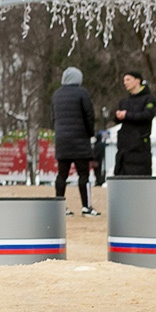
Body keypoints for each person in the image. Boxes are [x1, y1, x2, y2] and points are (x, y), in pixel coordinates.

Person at [51, 67, 99, 216]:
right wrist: (90, 133)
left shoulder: (56, 95)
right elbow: (89, 115)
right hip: (80, 140)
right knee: (83, 175)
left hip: (62, 140)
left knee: (62, 174)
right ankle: (86, 207)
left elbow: (53, 117)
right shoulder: (82, 93)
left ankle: (60, 206)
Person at [114, 71, 156, 176]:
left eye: (128, 79)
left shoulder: (148, 99)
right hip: (124, 147)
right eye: (124, 80)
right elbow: (116, 118)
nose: (125, 83)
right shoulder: (124, 101)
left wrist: (127, 115)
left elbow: (147, 115)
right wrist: (118, 116)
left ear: (138, 80)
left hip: (140, 146)